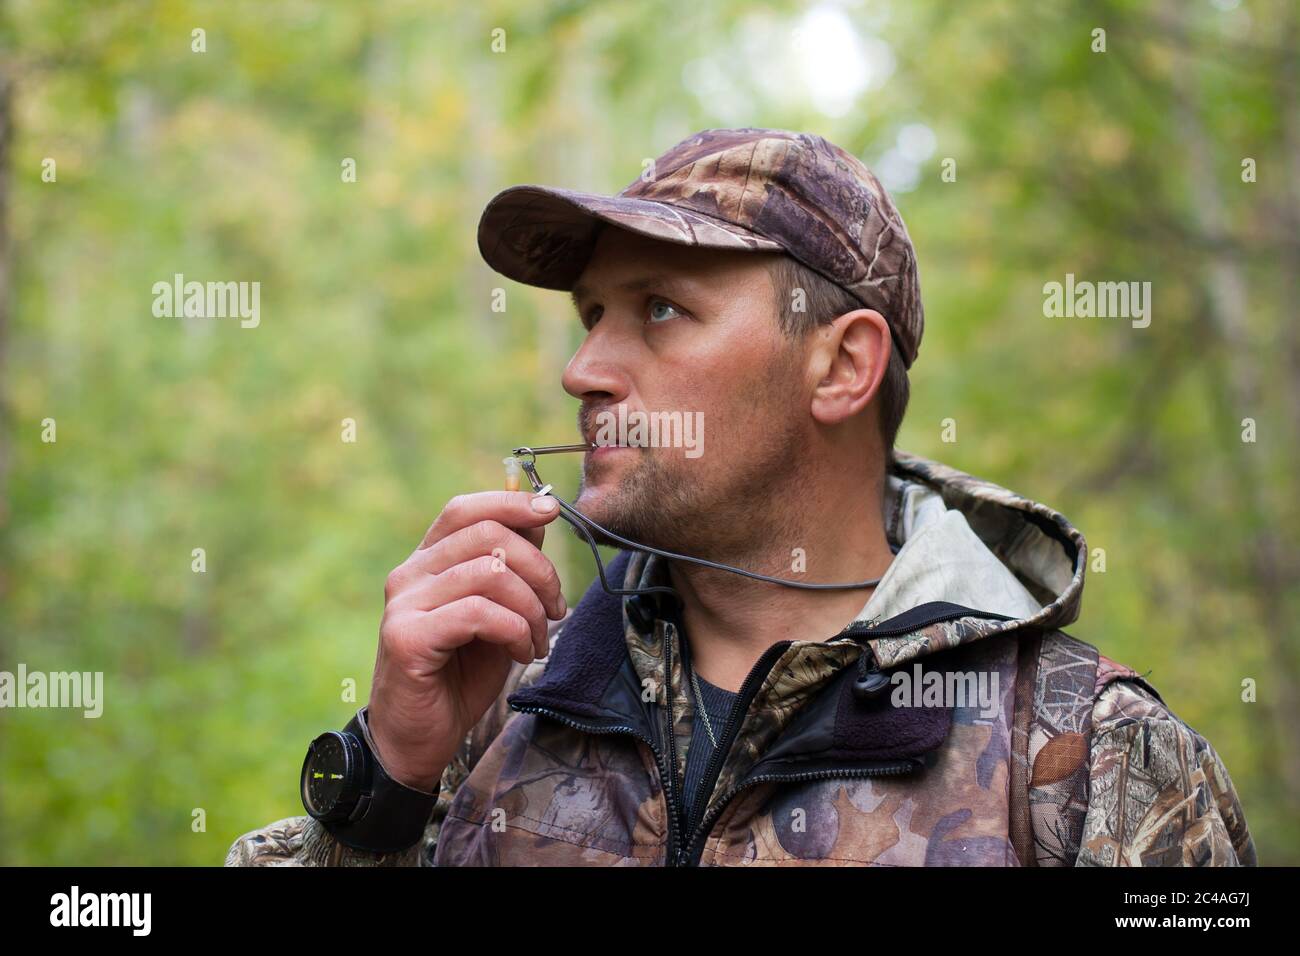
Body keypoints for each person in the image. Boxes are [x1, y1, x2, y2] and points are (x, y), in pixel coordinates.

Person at [227, 128, 1256, 867]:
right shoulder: (498, 704)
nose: (582, 367)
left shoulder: (1086, 758)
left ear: (841, 367)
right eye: (591, 313)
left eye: (662, 309)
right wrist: (385, 789)